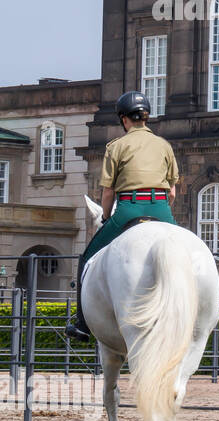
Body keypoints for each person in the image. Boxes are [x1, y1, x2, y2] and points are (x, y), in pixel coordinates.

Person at [65, 92, 181, 341]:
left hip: (129, 208)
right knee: (182, 253)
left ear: (123, 119)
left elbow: (108, 193)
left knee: (87, 258)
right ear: (146, 117)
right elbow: (172, 192)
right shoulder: (164, 146)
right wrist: (163, 208)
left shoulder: (116, 147)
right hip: (161, 208)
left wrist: (107, 217)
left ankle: (82, 324)